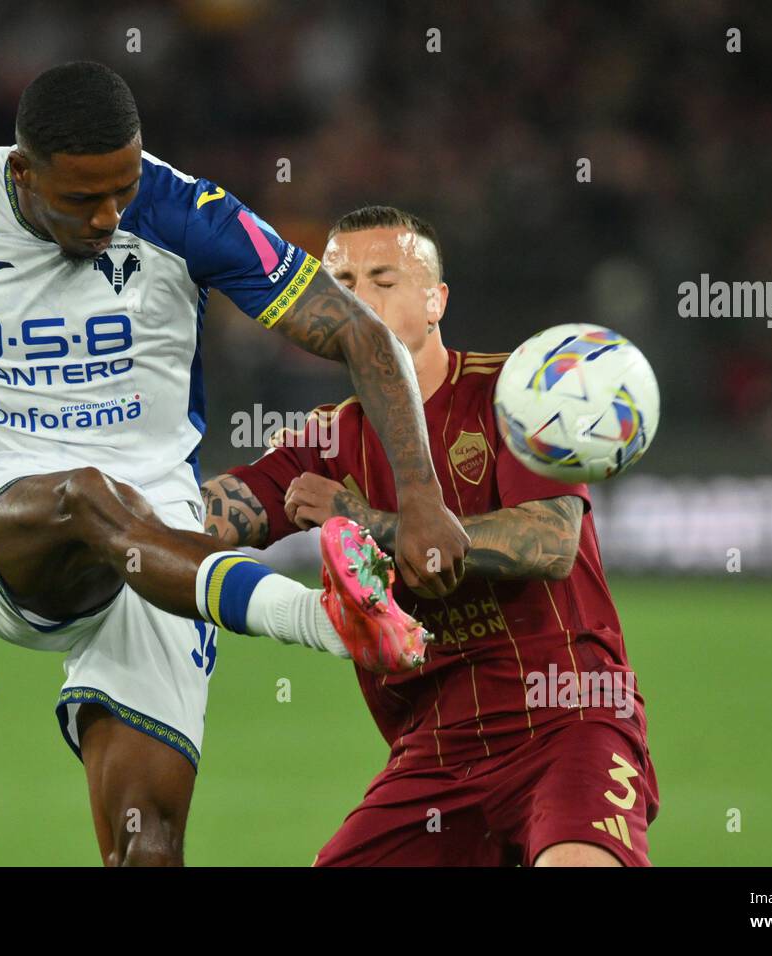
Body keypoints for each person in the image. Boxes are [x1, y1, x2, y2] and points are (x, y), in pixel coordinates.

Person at [0, 64, 469, 867]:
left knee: (148, 845)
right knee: (86, 497)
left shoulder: (186, 212)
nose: (111, 215)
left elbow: (359, 333)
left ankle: (322, 618)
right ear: (21, 173)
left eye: (124, 188)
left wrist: (422, 496)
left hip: (165, 543)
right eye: (82, 199)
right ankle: (325, 620)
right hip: (1, 509)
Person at [203, 205, 659, 866]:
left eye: (382, 279)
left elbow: (548, 543)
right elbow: (215, 514)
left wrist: (367, 522)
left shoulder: (515, 392)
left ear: (436, 299)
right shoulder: (326, 441)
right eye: (341, 284)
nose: (358, 299)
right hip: (435, 755)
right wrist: (110, 503)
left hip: (570, 721)